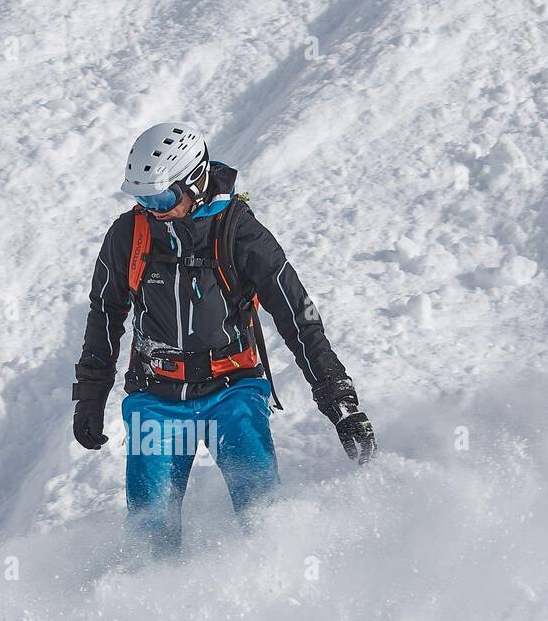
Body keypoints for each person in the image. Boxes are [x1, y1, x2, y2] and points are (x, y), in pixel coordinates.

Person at [72, 121, 376, 551]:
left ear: (194, 180)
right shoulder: (128, 235)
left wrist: (338, 399)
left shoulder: (240, 232)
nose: (152, 208)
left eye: (161, 196)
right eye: (142, 197)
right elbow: (104, 314)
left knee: (262, 512)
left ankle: (277, 587)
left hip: (233, 389)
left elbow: (298, 316)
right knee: (149, 529)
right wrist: (90, 395)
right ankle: (154, 600)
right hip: (155, 395)